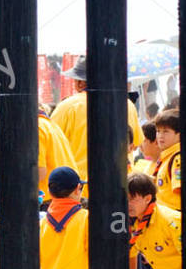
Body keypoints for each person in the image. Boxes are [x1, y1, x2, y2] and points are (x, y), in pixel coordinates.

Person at [50, 56, 143, 184]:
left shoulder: (67, 107)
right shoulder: (127, 104)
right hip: (121, 182)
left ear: (81, 83)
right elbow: (135, 143)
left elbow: (52, 145)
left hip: (78, 186)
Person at [151, 108, 182, 211]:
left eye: (166, 131)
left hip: (174, 218)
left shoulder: (178, 159)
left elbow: (180, 189)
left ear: (179, 135)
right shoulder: (166, 158)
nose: (160, 136)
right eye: (158, 131)